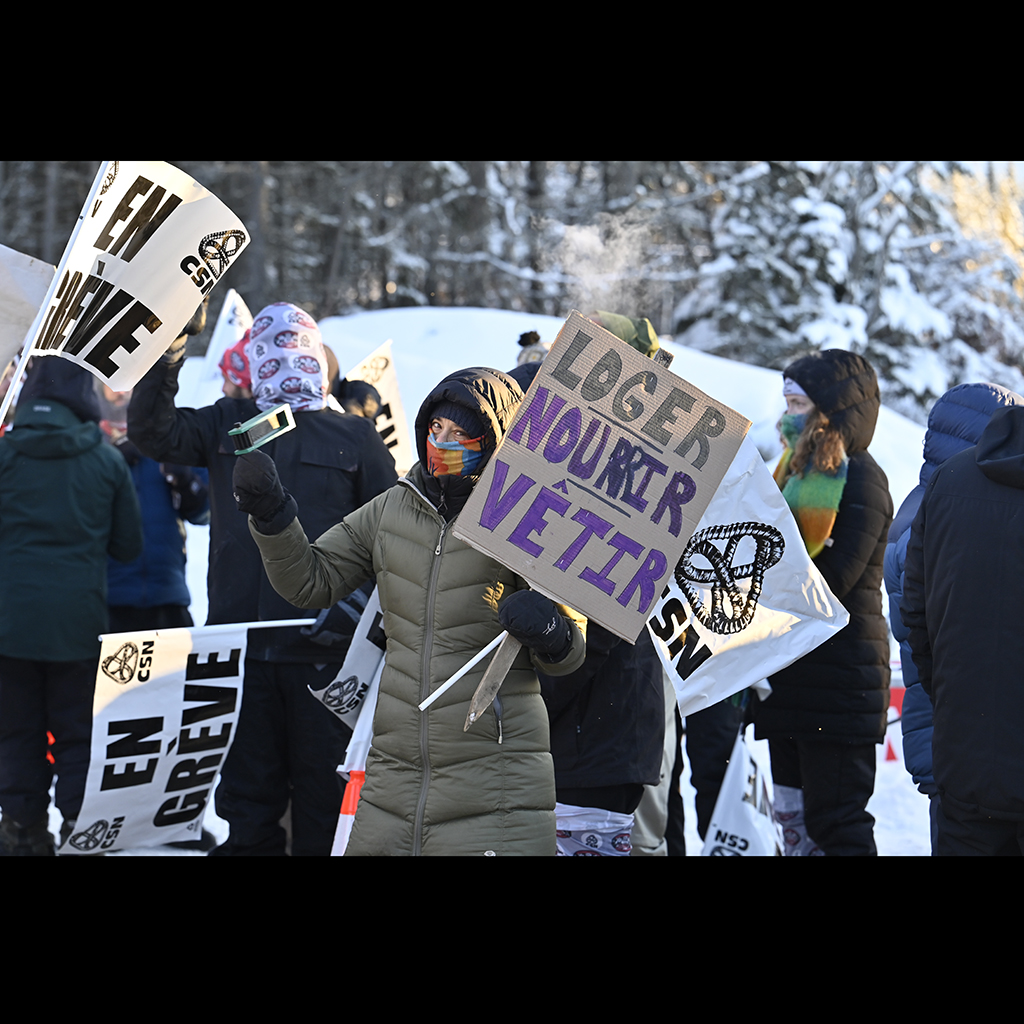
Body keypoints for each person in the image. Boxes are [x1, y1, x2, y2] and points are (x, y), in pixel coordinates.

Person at [232, 365, 587, 856]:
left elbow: (570, 648)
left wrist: (549, 628)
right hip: (394, 778)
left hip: (494, 781)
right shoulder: (392, 508)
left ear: (496, 442)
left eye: (461, 433)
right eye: (437, 427)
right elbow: (311, 580)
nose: (443, 442)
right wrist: (272, 514)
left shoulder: (528, 515)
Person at [127, 301, 398, 856]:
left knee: (326, 806)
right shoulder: (228, 421)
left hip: (327, 659)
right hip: (239, 653)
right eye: (271, 353)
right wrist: (170, 347)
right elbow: (152, 432)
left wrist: (362, 612)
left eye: (296, 351)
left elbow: (392, 540)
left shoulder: (355, 435)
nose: (285, 363)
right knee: (247, 807)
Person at [512, 311, 667, 857]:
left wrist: (525, 703)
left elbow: (600, 620)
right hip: (576, 736)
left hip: (596, 734)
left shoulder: (626, 478)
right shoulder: (570, 467)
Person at [0, 358, 143, 855]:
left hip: (8, 625)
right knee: (78, 734)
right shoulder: (105, 460)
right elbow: (129, 547)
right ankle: (80, 830)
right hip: (79, 625)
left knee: (16, 731)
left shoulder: (3, 455)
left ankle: (22, 831)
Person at [752, 349, 893, 856]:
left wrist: (753, 574)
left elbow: (832, 582)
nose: (788, 414)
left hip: (838, 686)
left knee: (836, 825)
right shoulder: (791, 470)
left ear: (830, 410)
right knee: (795, 827)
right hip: (791, 680)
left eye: (798, 404)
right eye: (787, 402)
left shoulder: (862, 480)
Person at [884, 382, 1021, 853]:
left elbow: (917, 627)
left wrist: (955, 699)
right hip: (958, 740)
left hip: (960, 752)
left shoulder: (943, 489)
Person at [97, 382, 211, 634]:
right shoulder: (87, 440)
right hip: (108, 599)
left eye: (129, 382)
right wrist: (109, 464)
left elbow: (205, 514)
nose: (121, 391)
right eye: (112, 382)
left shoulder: (170, 437)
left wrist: (186, 482)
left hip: (167, 595)